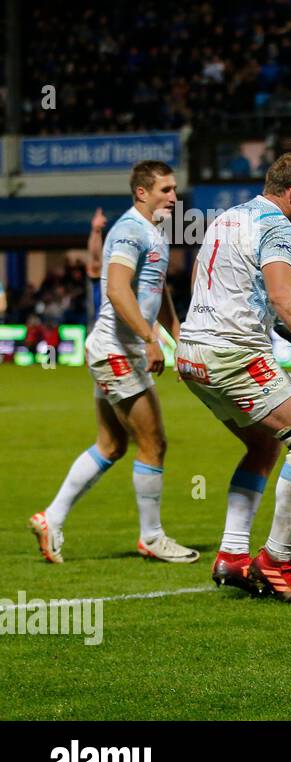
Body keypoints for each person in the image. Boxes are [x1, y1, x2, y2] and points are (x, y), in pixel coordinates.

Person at [177, 152, 291, 603]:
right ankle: (277, 560)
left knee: (262, 447)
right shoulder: (280, 228)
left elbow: (247, 297)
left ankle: (233, 555)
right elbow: (283, 296)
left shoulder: (230, 218)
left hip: (192, 354)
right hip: (233, 354)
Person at [29, 161, 198, 564]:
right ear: (142, 192)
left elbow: (158, 293)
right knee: (153, 442)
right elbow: (119, 292)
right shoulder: (127, 231)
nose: (173, 198)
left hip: (119, 350)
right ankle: (152, 537)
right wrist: (150, 339)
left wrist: (179, 340)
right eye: (165, 190)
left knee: (112, 444)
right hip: (117, 351)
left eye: (174, 190)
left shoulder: (154, 231)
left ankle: (50, 518)